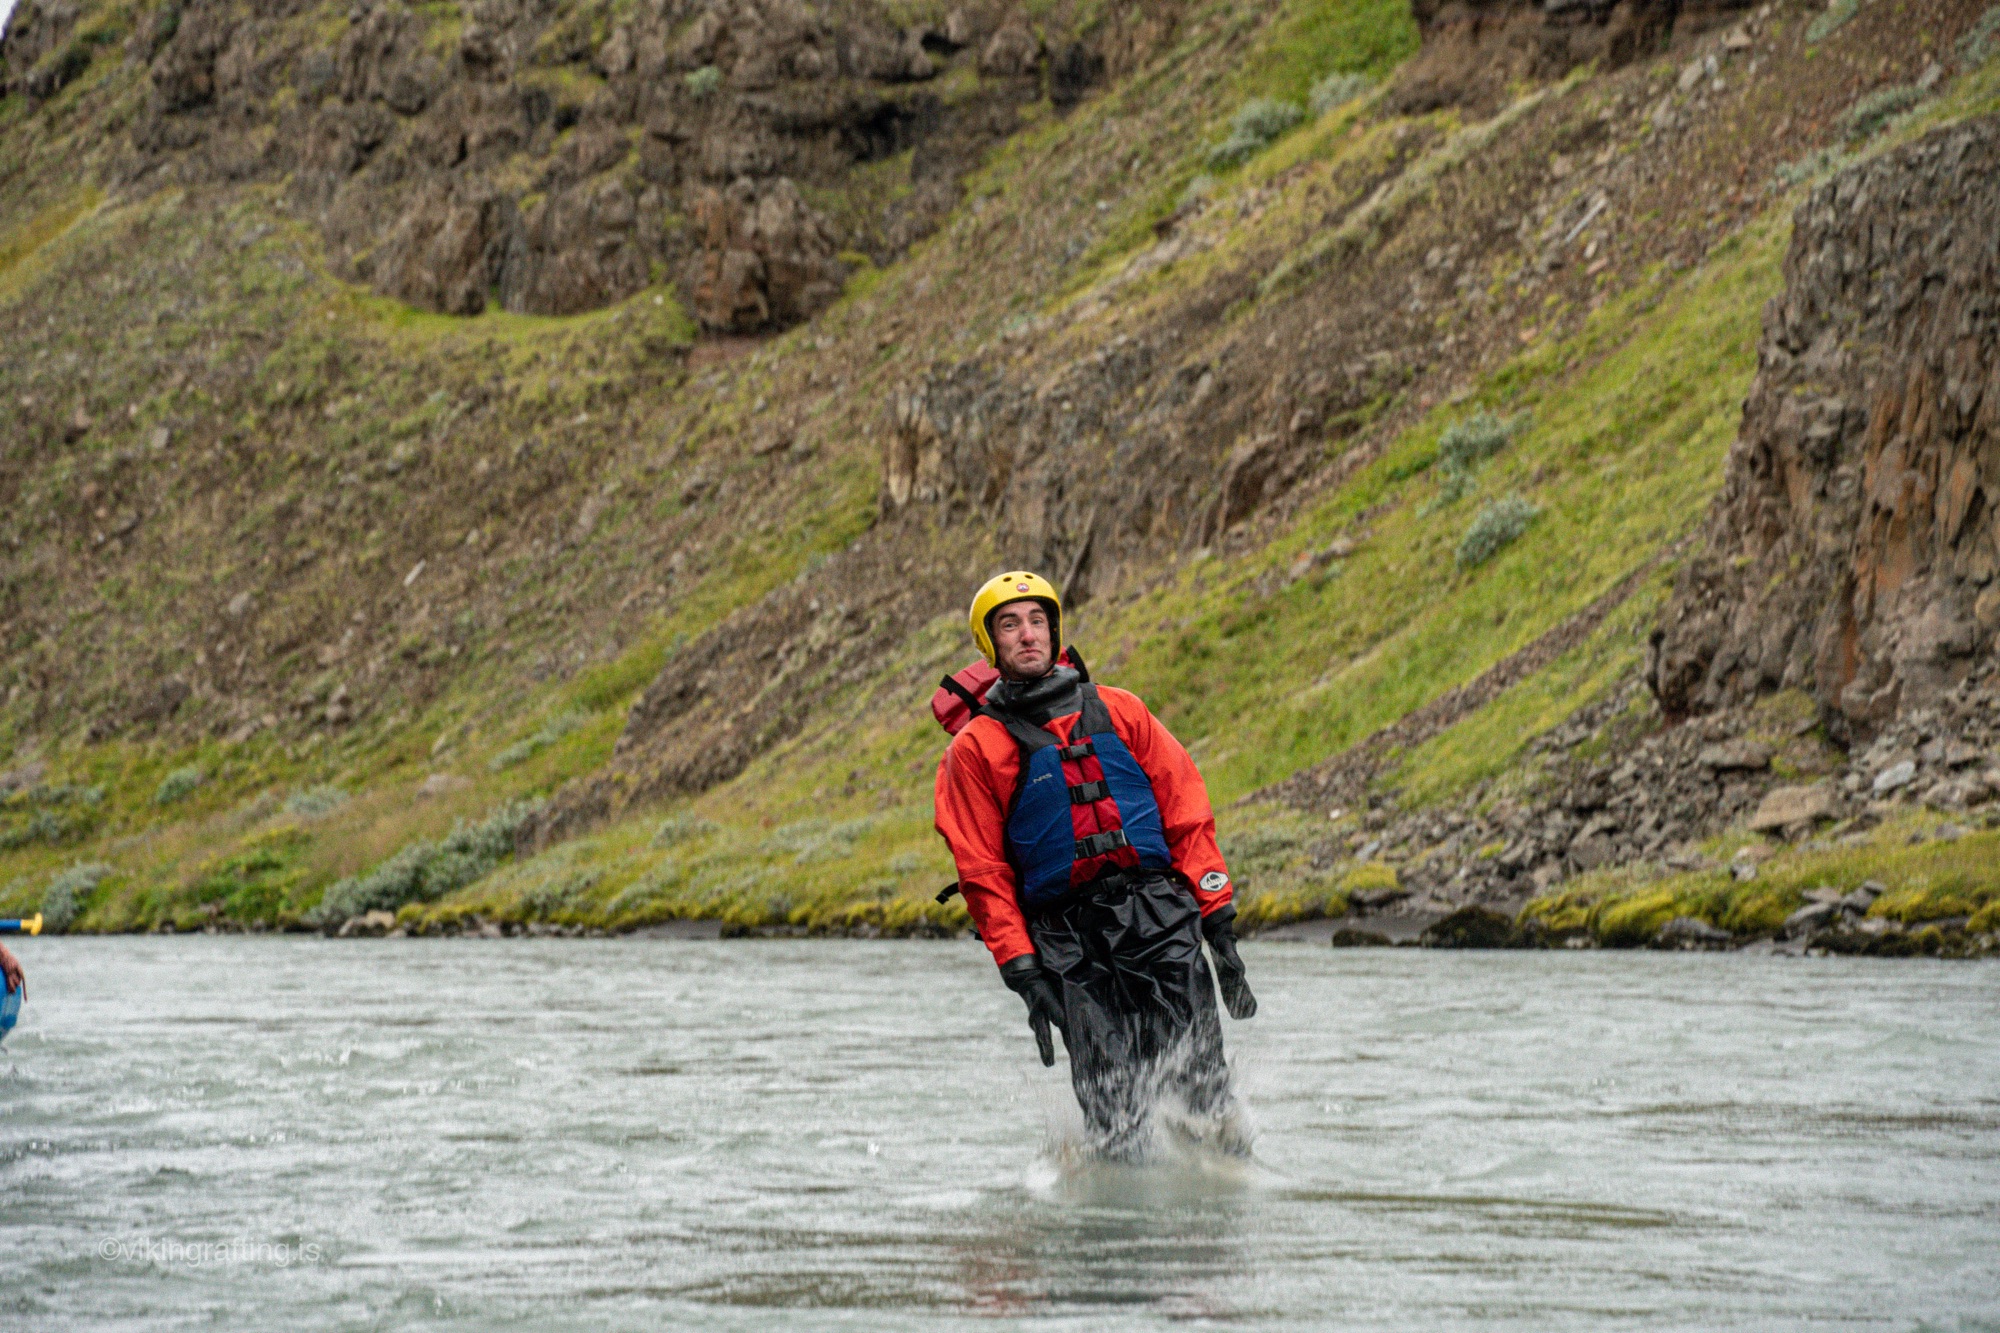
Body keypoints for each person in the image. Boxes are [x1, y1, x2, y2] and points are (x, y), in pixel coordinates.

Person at [933, 571, 1257, 1156]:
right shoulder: (975, 750)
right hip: (1066, 939)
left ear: (1054, 631)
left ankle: (1219, 1180)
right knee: (1113, 1104)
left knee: (1201, 1084)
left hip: (1158, 913)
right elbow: (982, 873)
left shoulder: (1121, 709)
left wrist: (1218, 919)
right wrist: (1024, 972)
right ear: (990, 644)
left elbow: (1186, 812)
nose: (1027, 634)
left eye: (1037, 621)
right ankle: (1116, 1196)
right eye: (1010, 625)